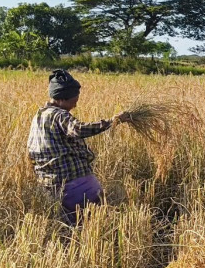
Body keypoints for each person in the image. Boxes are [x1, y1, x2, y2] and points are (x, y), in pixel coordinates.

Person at [27, 69, 129, 223]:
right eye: (75, 99)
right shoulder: (59, 115)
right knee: (94, 218)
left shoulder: (39, 115)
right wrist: (112, 122)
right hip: (73, 179)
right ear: (63, 98)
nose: (75, 104)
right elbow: (78, 129)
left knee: (70, 222)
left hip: (50, 182)